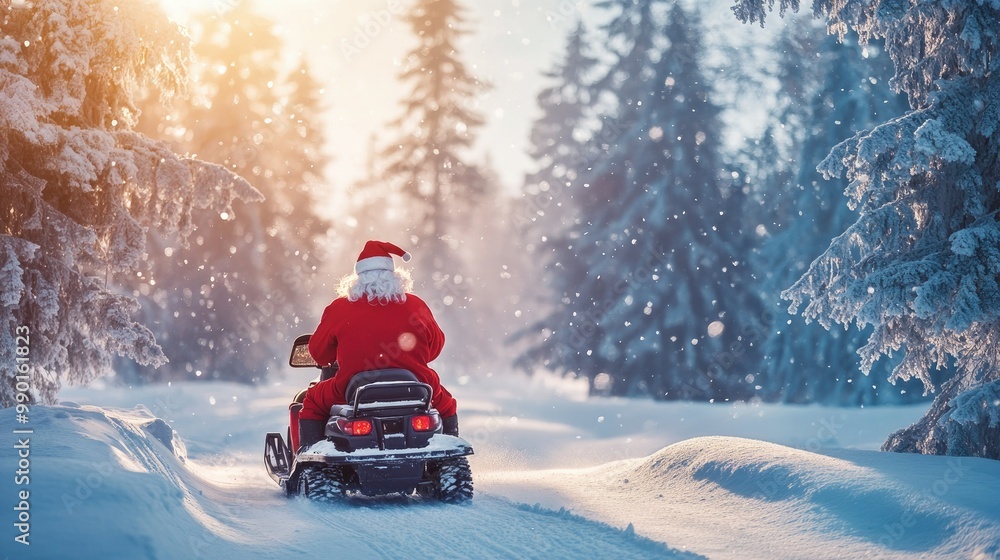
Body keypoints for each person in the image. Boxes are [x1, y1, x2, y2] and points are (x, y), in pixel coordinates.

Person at [297, 240, 459, 450]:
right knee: (447, 406)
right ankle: (448, 457)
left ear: (358, 279)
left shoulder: (339, 308)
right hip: (416, 386)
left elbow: (319, 354)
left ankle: (313, 460)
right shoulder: (415, 305)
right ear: (394, 276)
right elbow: (435, 346)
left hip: (352, 389)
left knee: (311, 402)